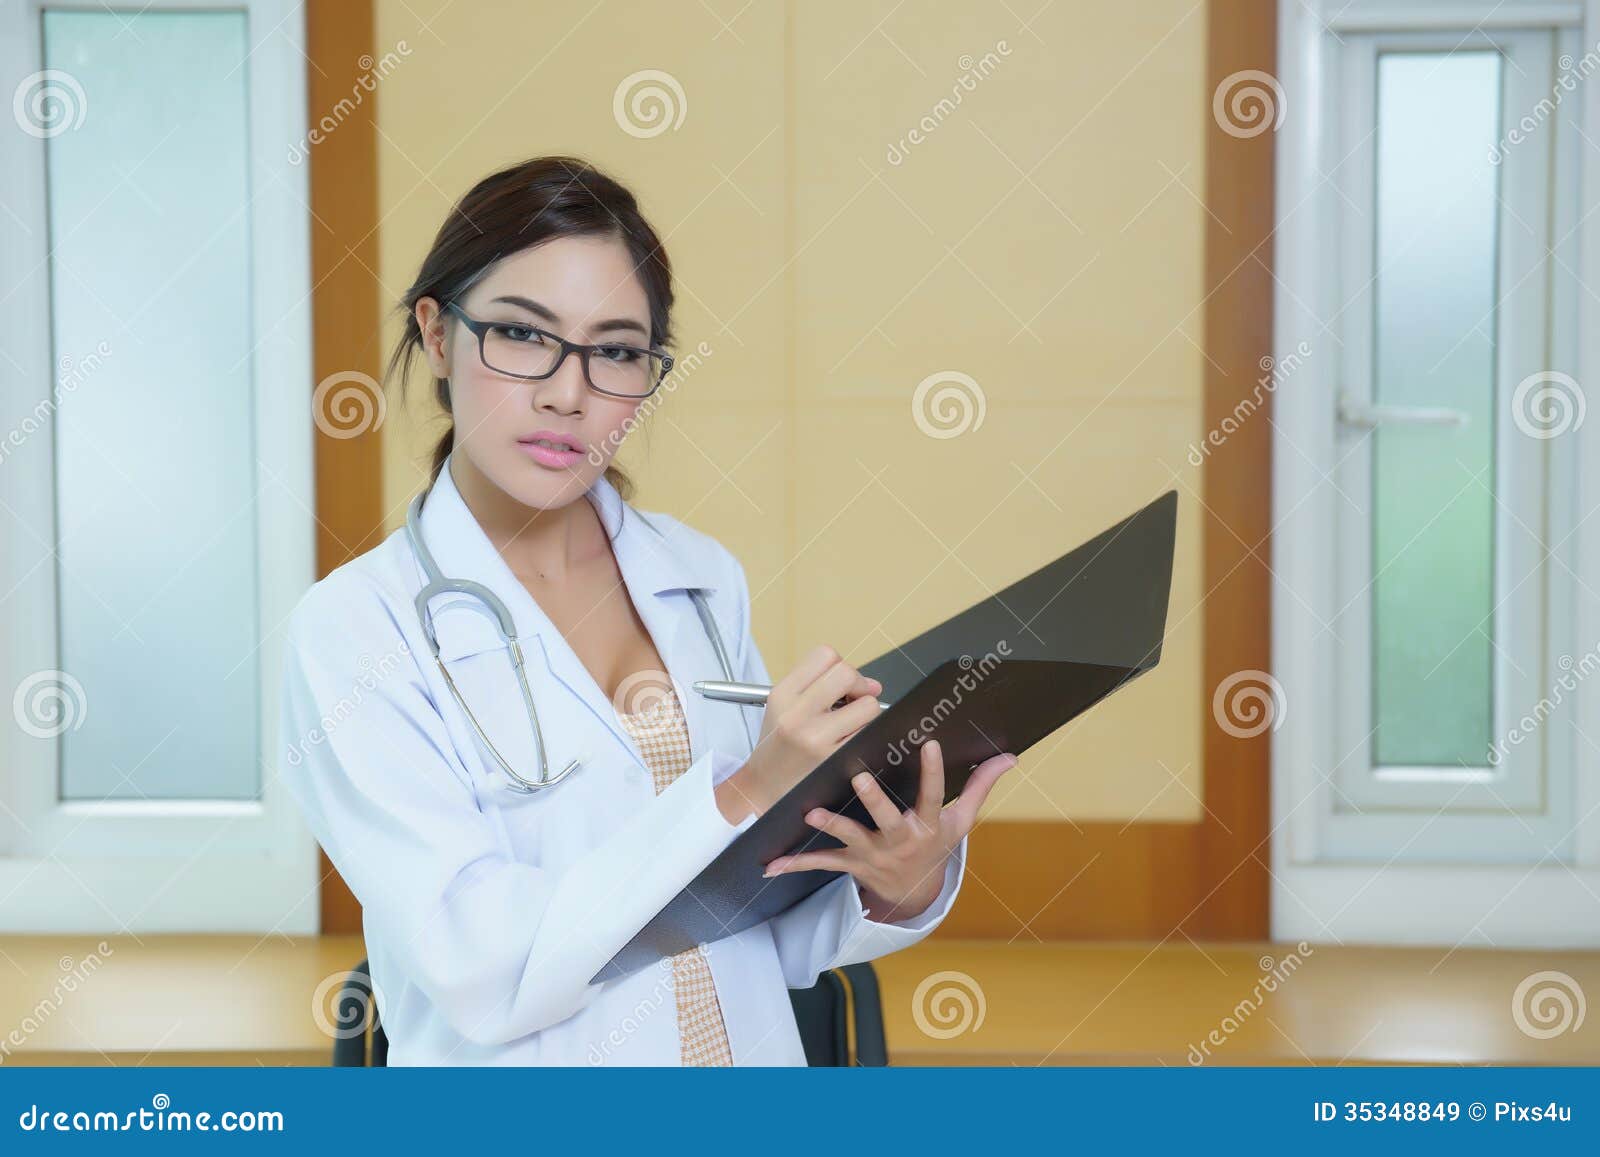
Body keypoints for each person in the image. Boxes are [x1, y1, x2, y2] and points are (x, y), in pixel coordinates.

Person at [278, 154, 1018, 1065]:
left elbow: (759, 923)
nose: (568, 392)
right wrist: (747, 792)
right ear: (437, 334)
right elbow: (479, 964)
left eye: (617, 351)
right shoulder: (356, 629)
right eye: (521, 334)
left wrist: (895, 879)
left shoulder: (699, 576)